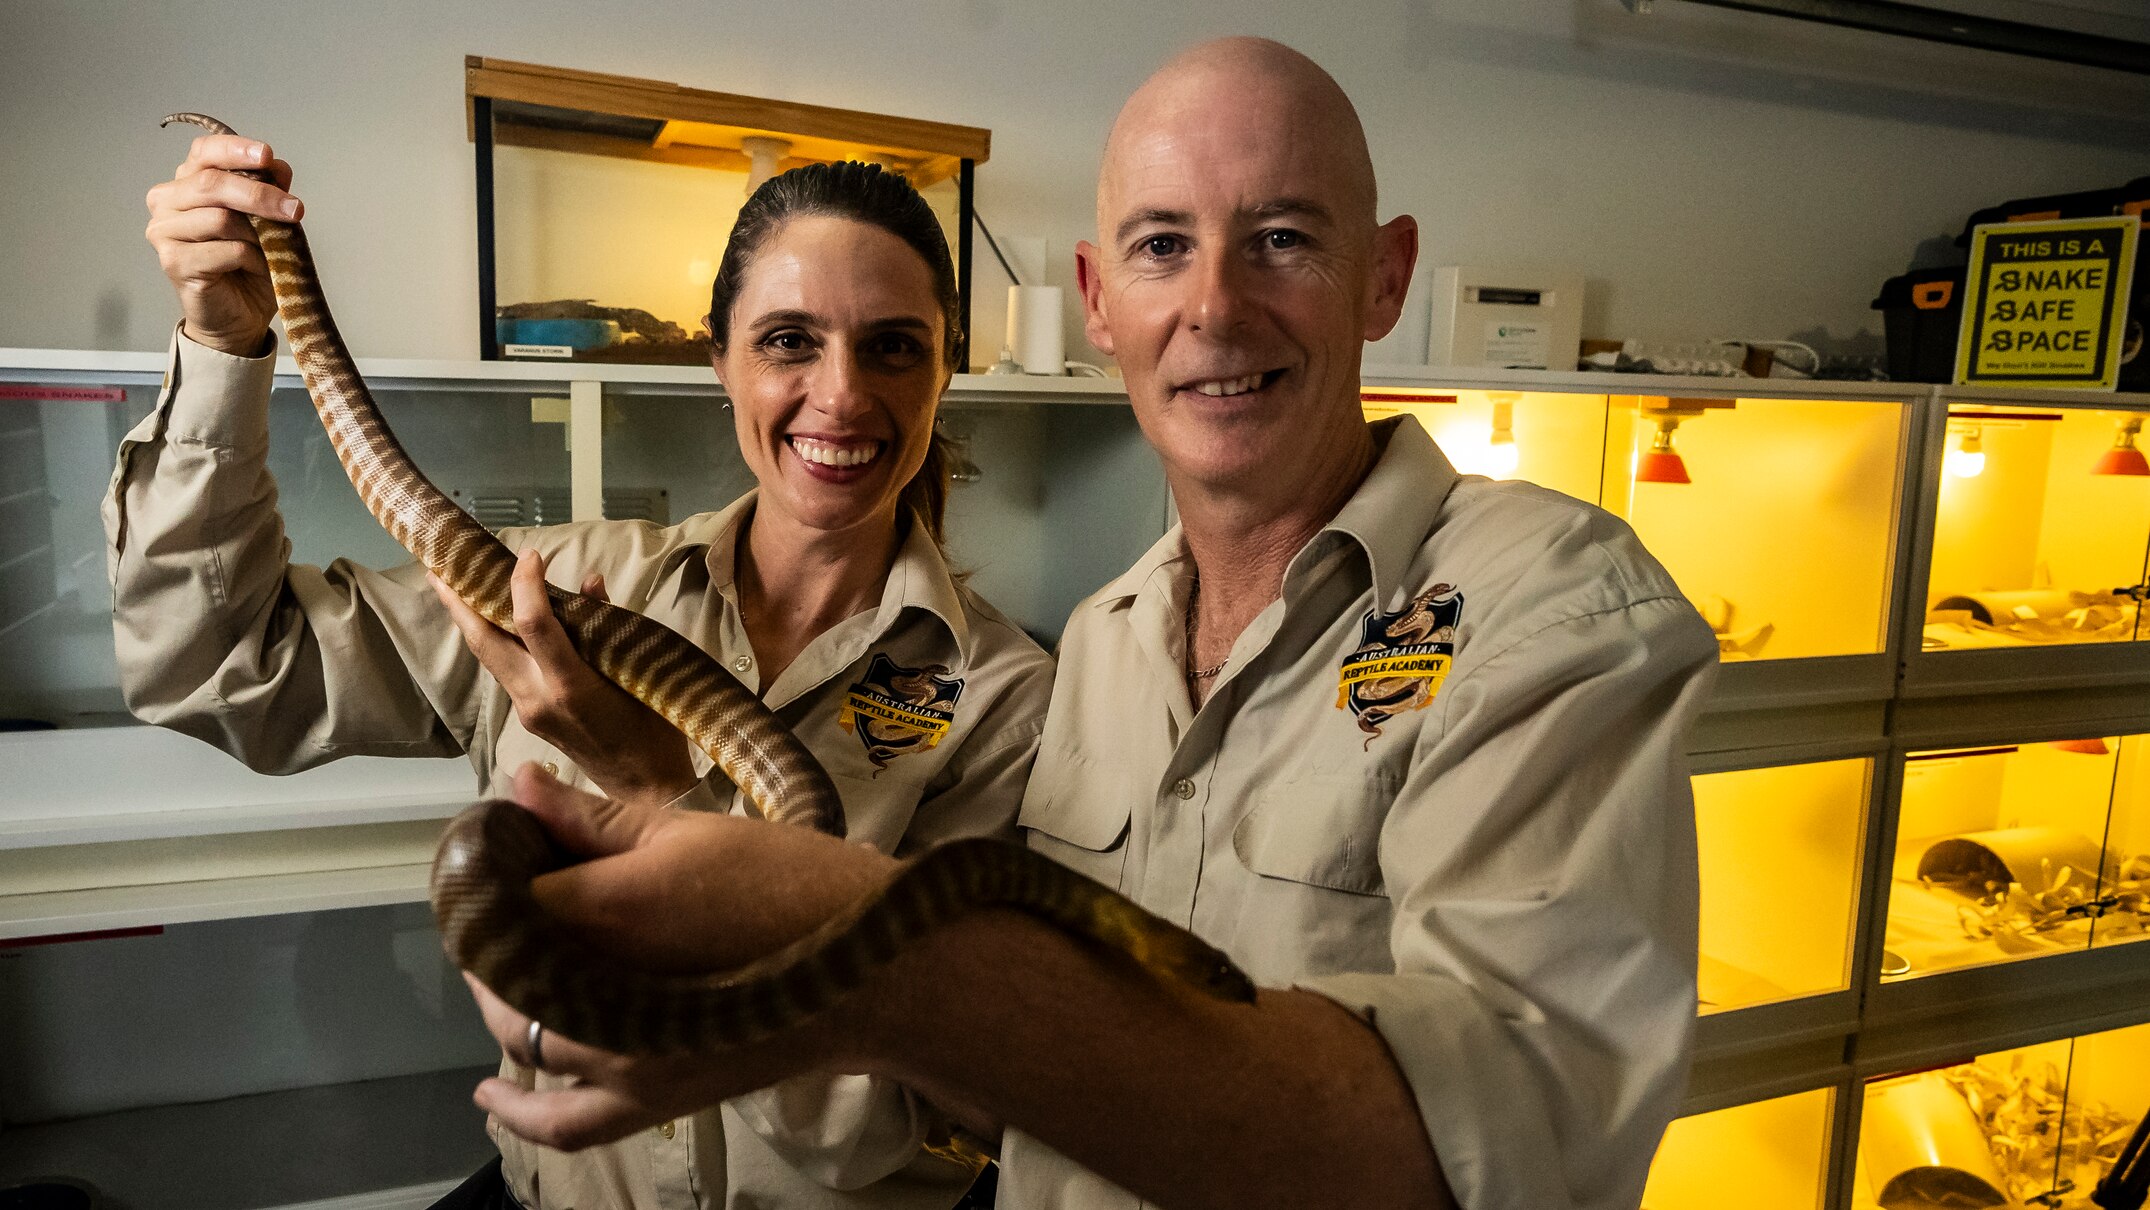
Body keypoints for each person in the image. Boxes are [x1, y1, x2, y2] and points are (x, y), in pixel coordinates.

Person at [448, 35, 1719, 1210]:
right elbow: (984, 1114)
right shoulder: (1103, 646)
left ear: (1380, 278)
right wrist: (797, 1006)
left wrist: (849, 950)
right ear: (1098, 299)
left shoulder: (1547, 609)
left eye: (1280, 237)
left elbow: (1500, 1154)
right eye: (1162, 247)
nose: (1213, 307)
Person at [115, 146, 1054, 1209]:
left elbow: (898, 1127)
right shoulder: (561, 593)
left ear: (944, 369)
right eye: (788, 340)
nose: (839, 394)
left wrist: (660, 792)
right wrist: (226, 345)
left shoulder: (1004, 698)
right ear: (721, 364)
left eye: (892, 347)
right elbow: (220, 664)